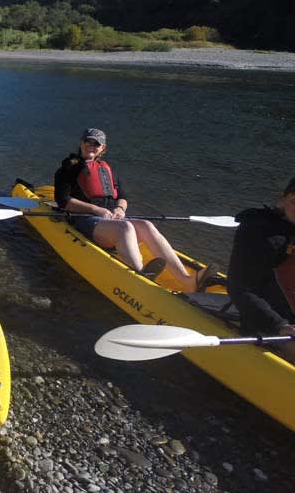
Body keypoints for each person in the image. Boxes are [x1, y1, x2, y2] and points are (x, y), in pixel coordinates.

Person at [54, 128, 212, 291]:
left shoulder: (106, 169)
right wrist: (96, 209)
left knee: (146, 225)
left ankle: (187, 280)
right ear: (81, 143)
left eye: (96, 144)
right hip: (84, 220)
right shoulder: (68, 169)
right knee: (126, 227)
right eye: (88, 142)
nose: (91, 146)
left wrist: (120, 209)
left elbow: (122, 196)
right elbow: (63, 201)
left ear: (103, 148)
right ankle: (141, 277)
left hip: (111, 221)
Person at [227, 177, 295, 361]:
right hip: (270, 324)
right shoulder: (258, 231)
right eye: (294, 201)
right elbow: (241, 290)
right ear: (282, 200)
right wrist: (280, 326)